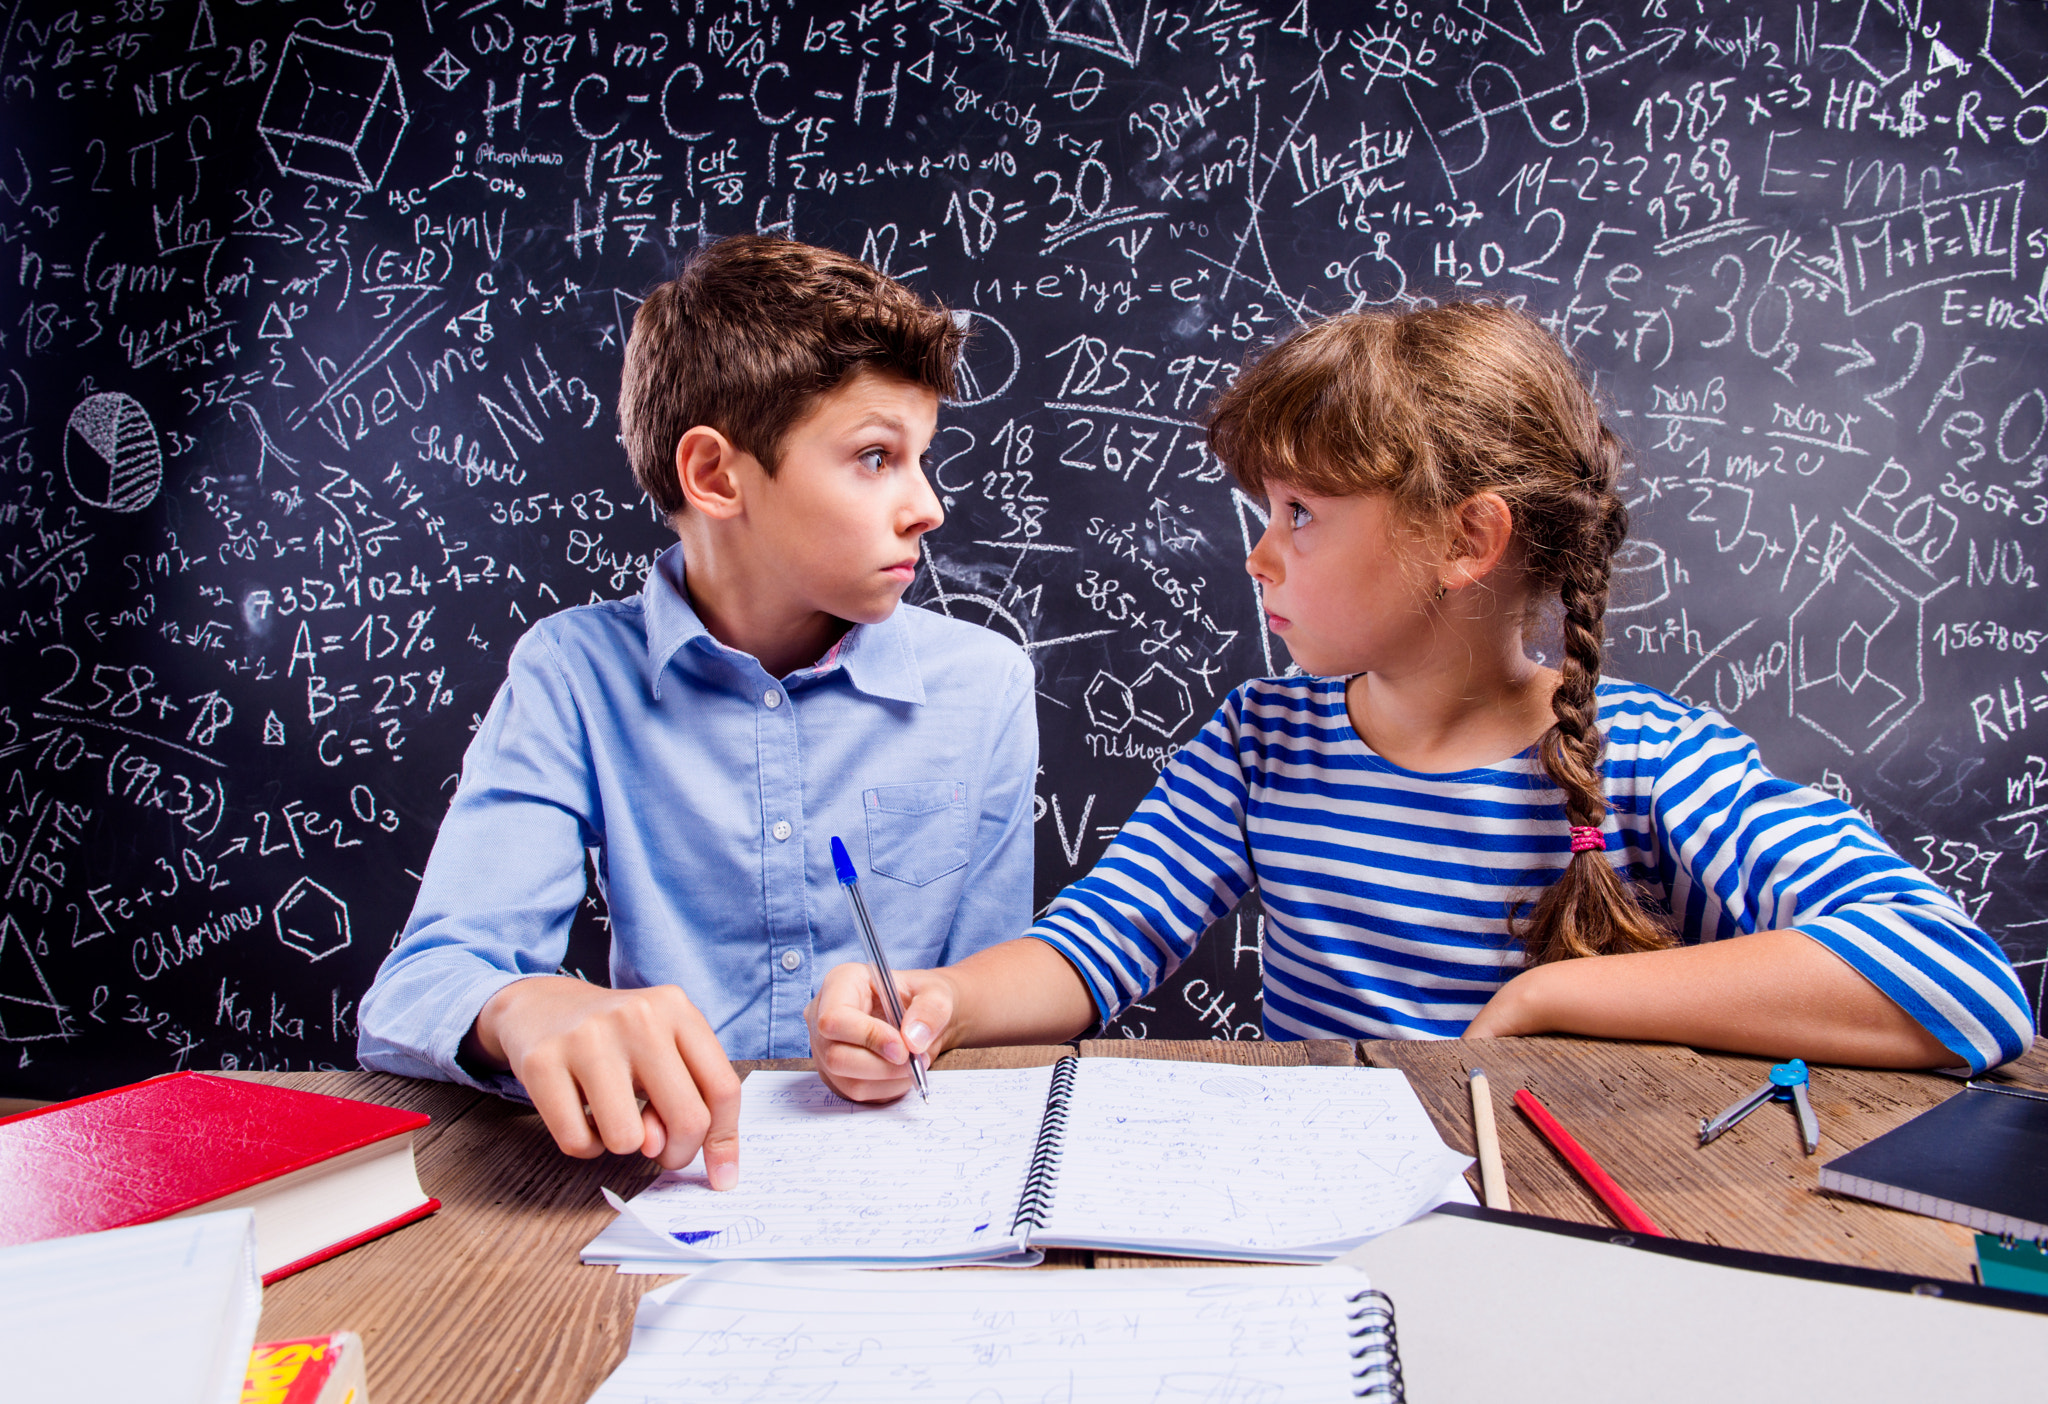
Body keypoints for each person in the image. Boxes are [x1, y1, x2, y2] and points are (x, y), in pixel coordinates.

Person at [808, 299, 2035, 1103]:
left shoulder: (1648, 763)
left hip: (1568, 1232)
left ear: (1466, 540)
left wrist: (1558, 995)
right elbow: (1096, 946)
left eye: (1301, 515)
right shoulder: (1260, 743)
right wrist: (952, 1000)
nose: (1260, 555)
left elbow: (1955, 980)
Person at [358, 237, 1038, 1182]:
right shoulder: (574, 674)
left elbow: (993, 1005)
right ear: (716, 476)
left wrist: (920, 1026)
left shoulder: (983, 683)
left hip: (912, 1180)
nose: (927, 506)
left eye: (923, 458)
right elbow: (418, 989)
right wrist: (526, 1008)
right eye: (877, 457)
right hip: (662, 1182)